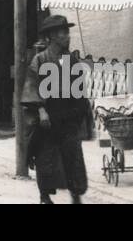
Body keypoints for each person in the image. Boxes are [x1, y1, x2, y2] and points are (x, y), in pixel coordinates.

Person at [21, 15, 91, 204]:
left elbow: (79, 90)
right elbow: (32, 86)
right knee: (46, 157)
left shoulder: (72, 60)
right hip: (48, 116)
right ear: (51, 35)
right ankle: (44, 196)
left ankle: (75, 194)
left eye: (67, 32)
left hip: (68, 116)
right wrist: (41, 110)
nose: (67, 36)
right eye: (62, 32)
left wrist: (80, 113)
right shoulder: (40, 59)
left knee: (72, 155)